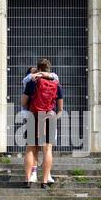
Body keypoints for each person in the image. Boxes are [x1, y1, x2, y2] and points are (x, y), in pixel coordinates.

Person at [22, 58, 63, 189]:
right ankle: (44, 181)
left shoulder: (31, 83)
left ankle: (28, 179)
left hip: (33, 116)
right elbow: (60, 108)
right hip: (49, 116)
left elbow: (23, 102)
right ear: (49, 69)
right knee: (47, 149)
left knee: (31, 148)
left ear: (38, 69)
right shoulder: (56, 84)